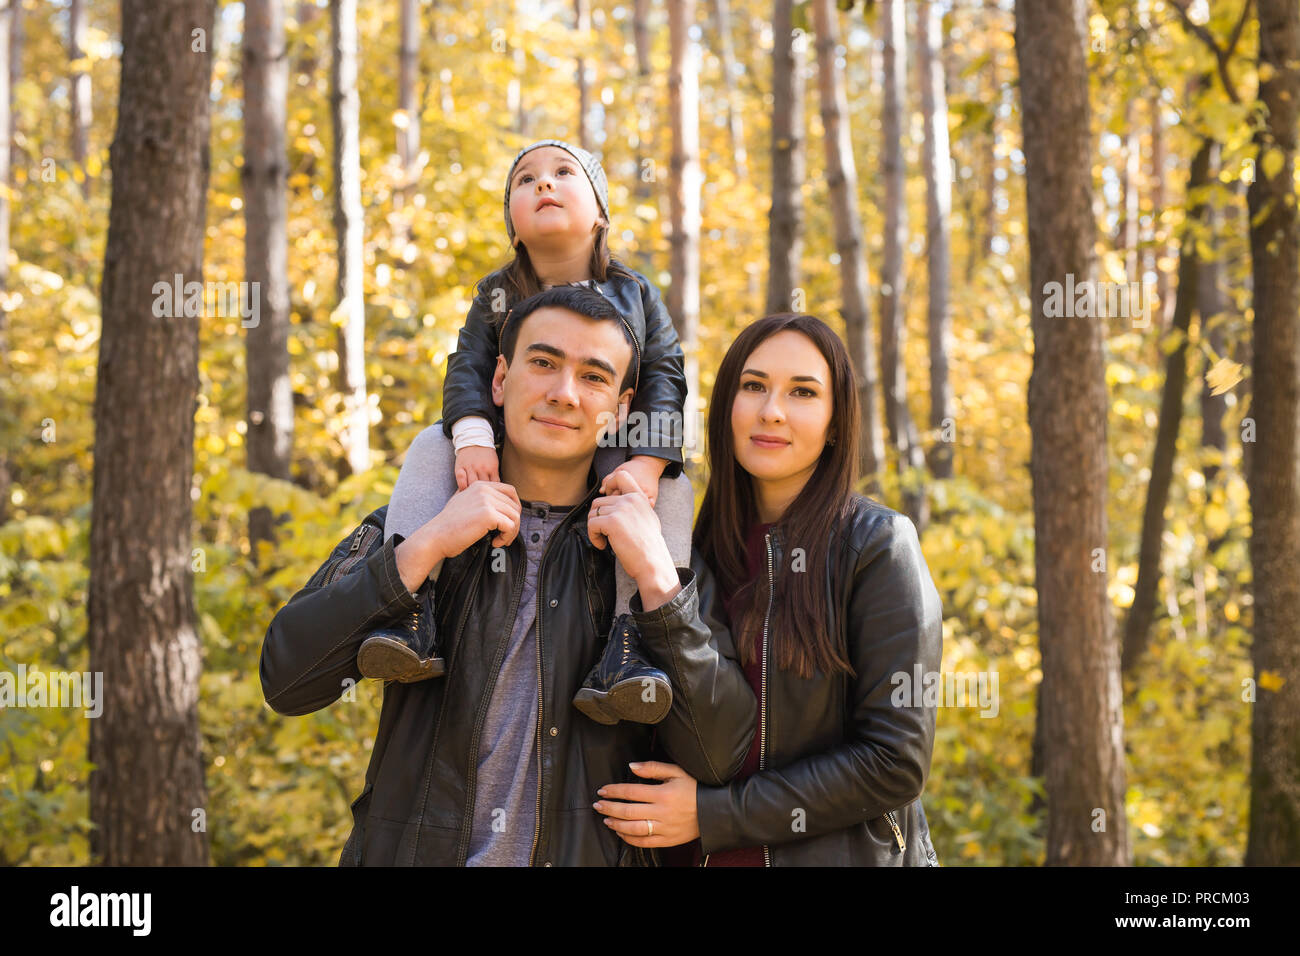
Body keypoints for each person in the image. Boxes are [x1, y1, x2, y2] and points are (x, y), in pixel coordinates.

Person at [259, 285, 756, 866]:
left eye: (593, 377)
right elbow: (288, 681)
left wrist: (655, 581)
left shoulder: (657, 557)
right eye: (543, 363)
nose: (564, 393)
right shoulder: (419, 524)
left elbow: (719, 754)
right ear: (499, 380)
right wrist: (426, 548)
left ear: (621, 410)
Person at [592, 313, 944, 865]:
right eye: (753, 386)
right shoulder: (690, 546)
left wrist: (714, 815)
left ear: (835, 423)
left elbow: (894, 762)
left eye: (803, 392)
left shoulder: (877, 546)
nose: (771, 410)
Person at [369, 139, 692, 729]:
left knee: (672, 489)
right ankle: (410, 611)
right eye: (525, 179)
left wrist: (648, 462)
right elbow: (468, 365)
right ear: (513, 226)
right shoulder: (496, 292)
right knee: (430, 446)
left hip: (610, 443)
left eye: (564, 172)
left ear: (600, 214)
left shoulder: (637, 293)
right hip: (504, 444)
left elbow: (666, 376)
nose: (543, 183)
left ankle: (631, 642)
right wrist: (471, 436)